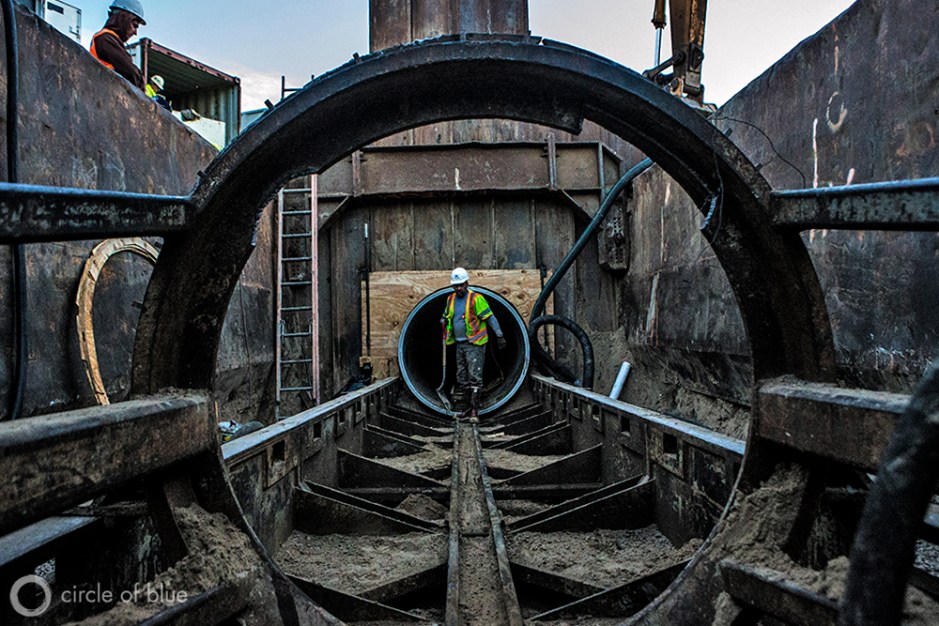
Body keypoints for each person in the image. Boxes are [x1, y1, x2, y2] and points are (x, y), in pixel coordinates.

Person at [441, 267, 506, 419]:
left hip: (475, 344)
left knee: (474, 377)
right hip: (459, 344)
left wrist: (499, 335)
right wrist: (443, 321)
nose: (458, 288)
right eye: (455, 286)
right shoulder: (450, 299)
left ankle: (474, 411)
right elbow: (446, 316)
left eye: (461, 285)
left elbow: (490, 317)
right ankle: (466, 408)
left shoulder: (476, 299)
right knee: (462, 377)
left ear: (467, 283)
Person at [89, 0, 146, 91]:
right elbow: (132, 73)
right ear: (123, 19)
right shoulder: (105, 39)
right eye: (134, 25)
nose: (135, 32)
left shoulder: (111, 40)